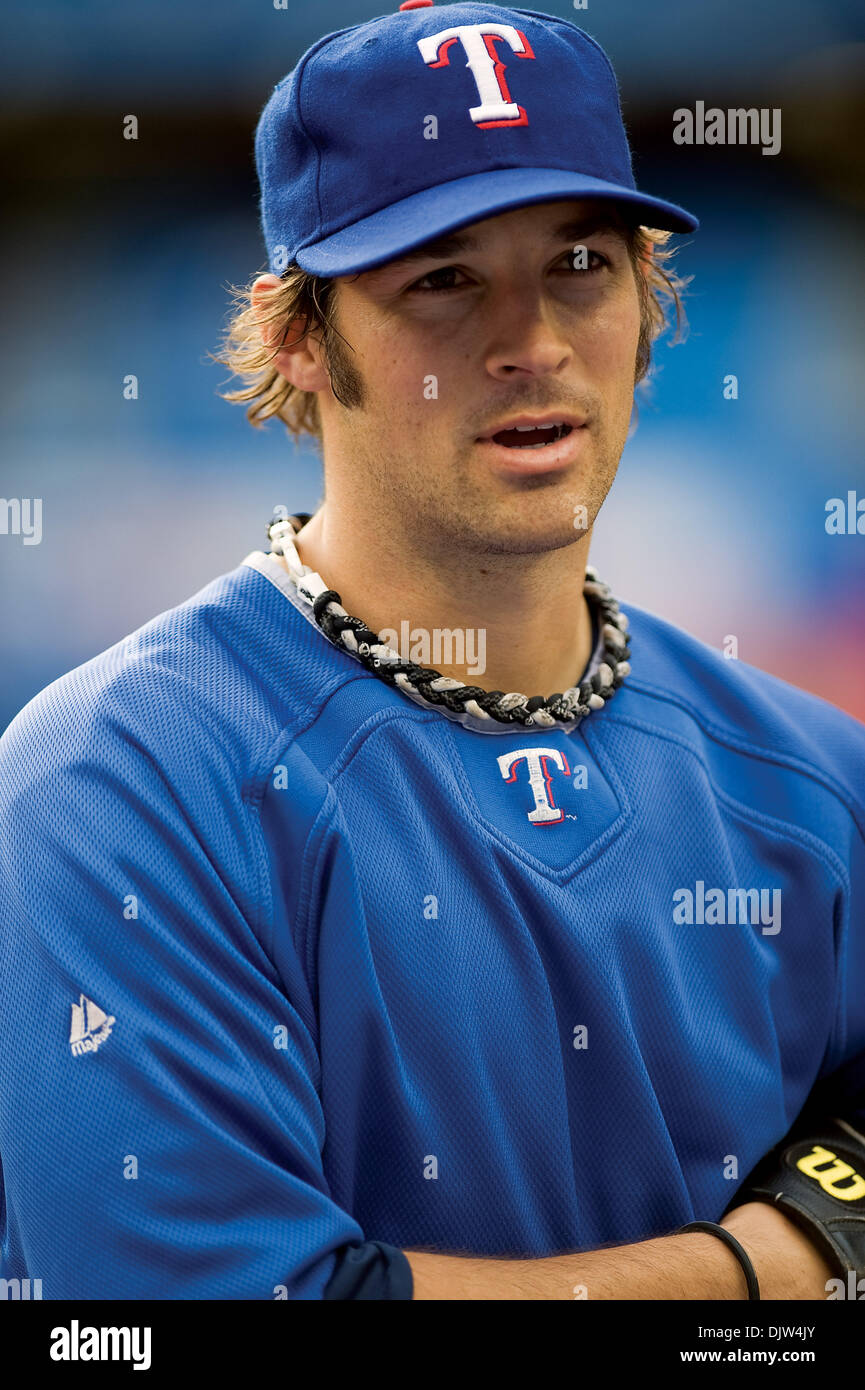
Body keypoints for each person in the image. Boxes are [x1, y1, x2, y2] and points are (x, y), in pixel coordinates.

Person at [1, 1, 863, 1301]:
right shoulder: (113, 785)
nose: (530, 343)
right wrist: (759, 1269)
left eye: (579, 263)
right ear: (299, 337)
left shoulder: (816, 780)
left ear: (649, 304)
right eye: (441, 279)